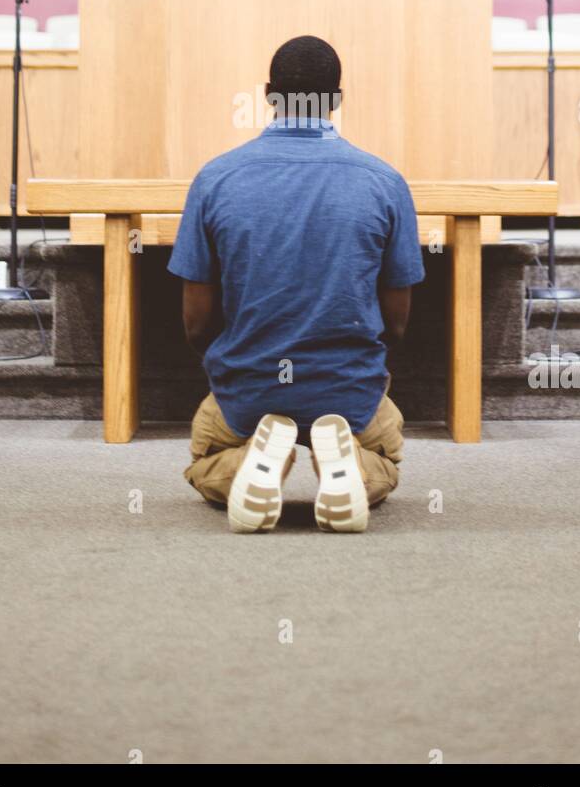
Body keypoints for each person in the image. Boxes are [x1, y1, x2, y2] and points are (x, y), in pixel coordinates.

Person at [167, 35, 425, 533]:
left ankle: (247, 463)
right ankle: (350, 459)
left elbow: (194, 321)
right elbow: (397, 321)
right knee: (386, 462)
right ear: (339, 98)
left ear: (268, 94)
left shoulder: (216, 178)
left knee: (206, 458)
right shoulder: (384, 181)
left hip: (249, 387)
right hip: (350, 390)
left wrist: (234, 363)